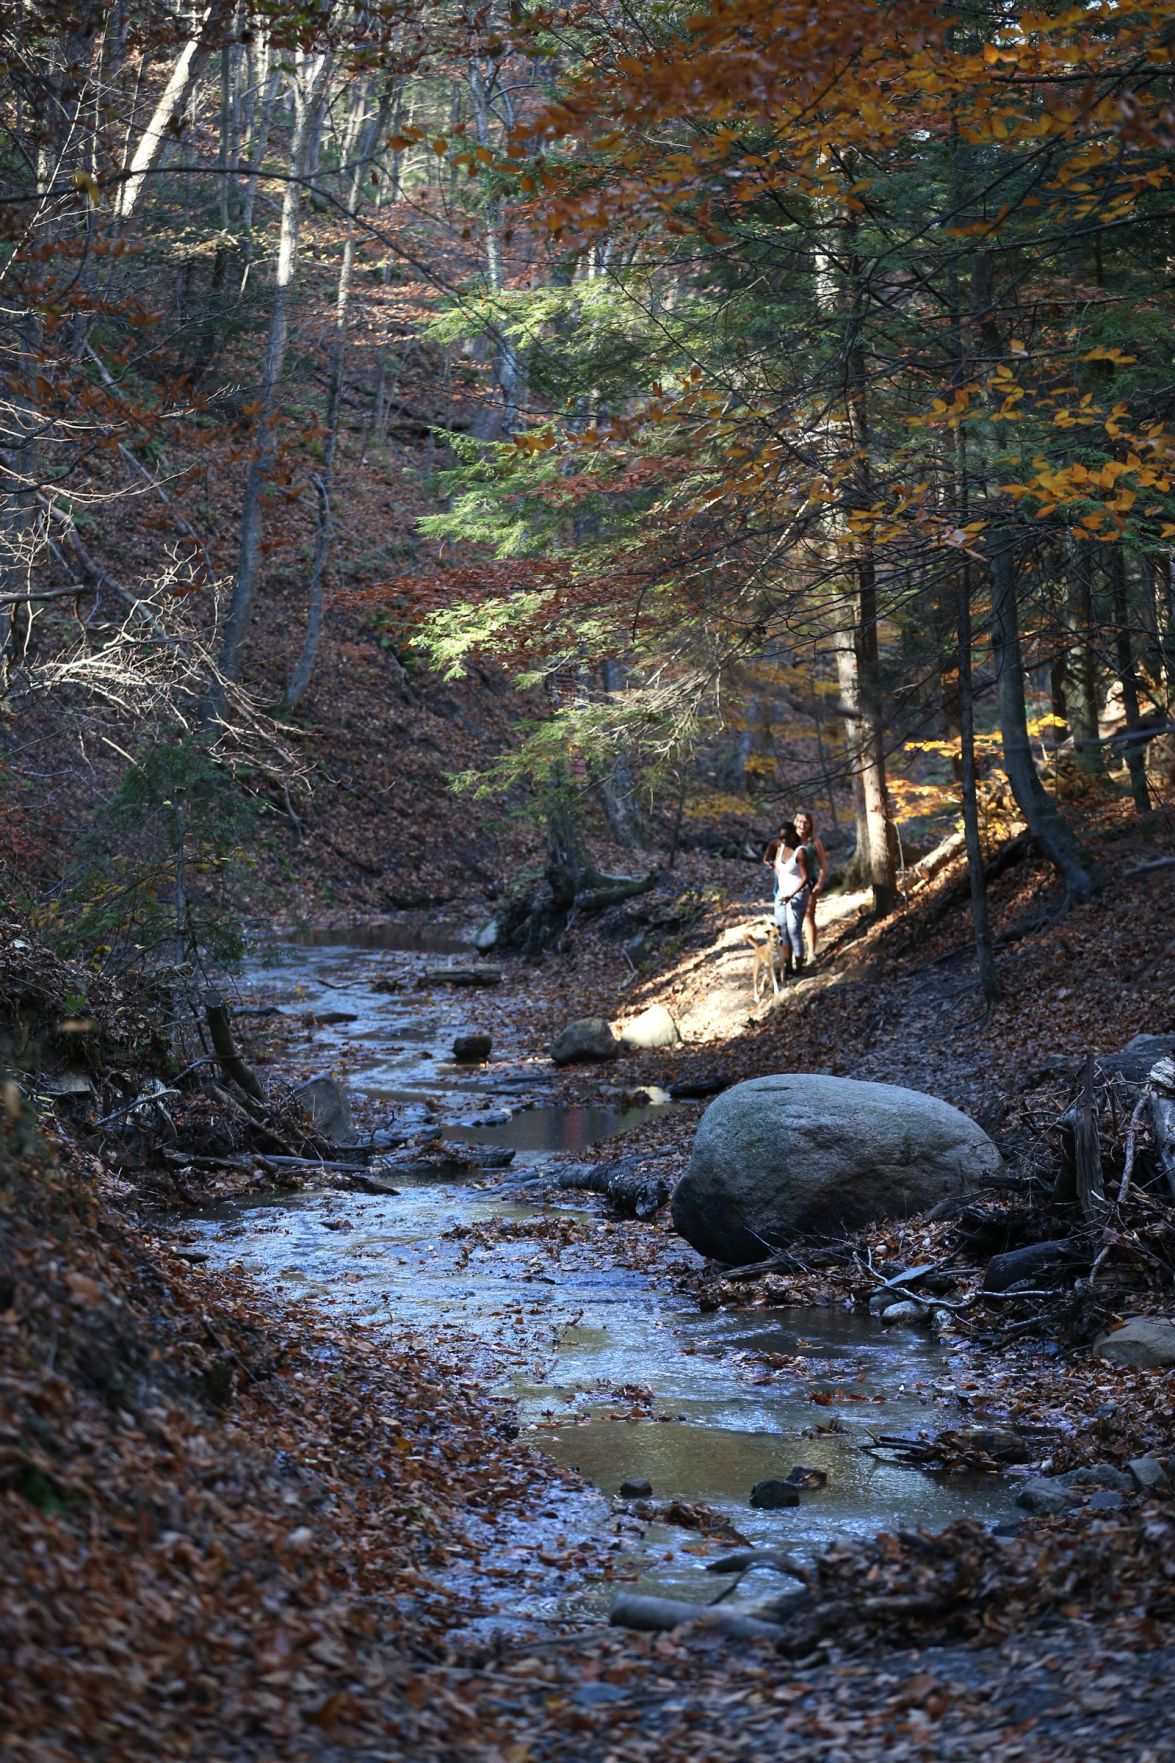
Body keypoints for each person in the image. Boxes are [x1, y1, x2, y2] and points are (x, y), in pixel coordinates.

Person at [773, 819, 810, 975]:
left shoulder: (800, 851)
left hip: (798, 895)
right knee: (782, 931)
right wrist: (780, 885)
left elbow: (805, 878)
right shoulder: (780, 848)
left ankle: (799, 965)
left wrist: (791, 894)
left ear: (793, 835)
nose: (784, 840)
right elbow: (777, 864)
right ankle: (787, 965)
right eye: (781, 837)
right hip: (782, 895)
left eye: (786, 837)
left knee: (794, 930)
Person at [794, 809, 828, 961]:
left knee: (808, 917)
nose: (802, 825)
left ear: (810, 825)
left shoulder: (814, 842)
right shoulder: (789, 842)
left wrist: (820, 883)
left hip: (810, 883)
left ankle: (811, 953)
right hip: (792, 885)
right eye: (800, 821)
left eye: (805, 822)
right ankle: (795, 954)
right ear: (795, 823)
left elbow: (823, 864)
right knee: (793, 921)